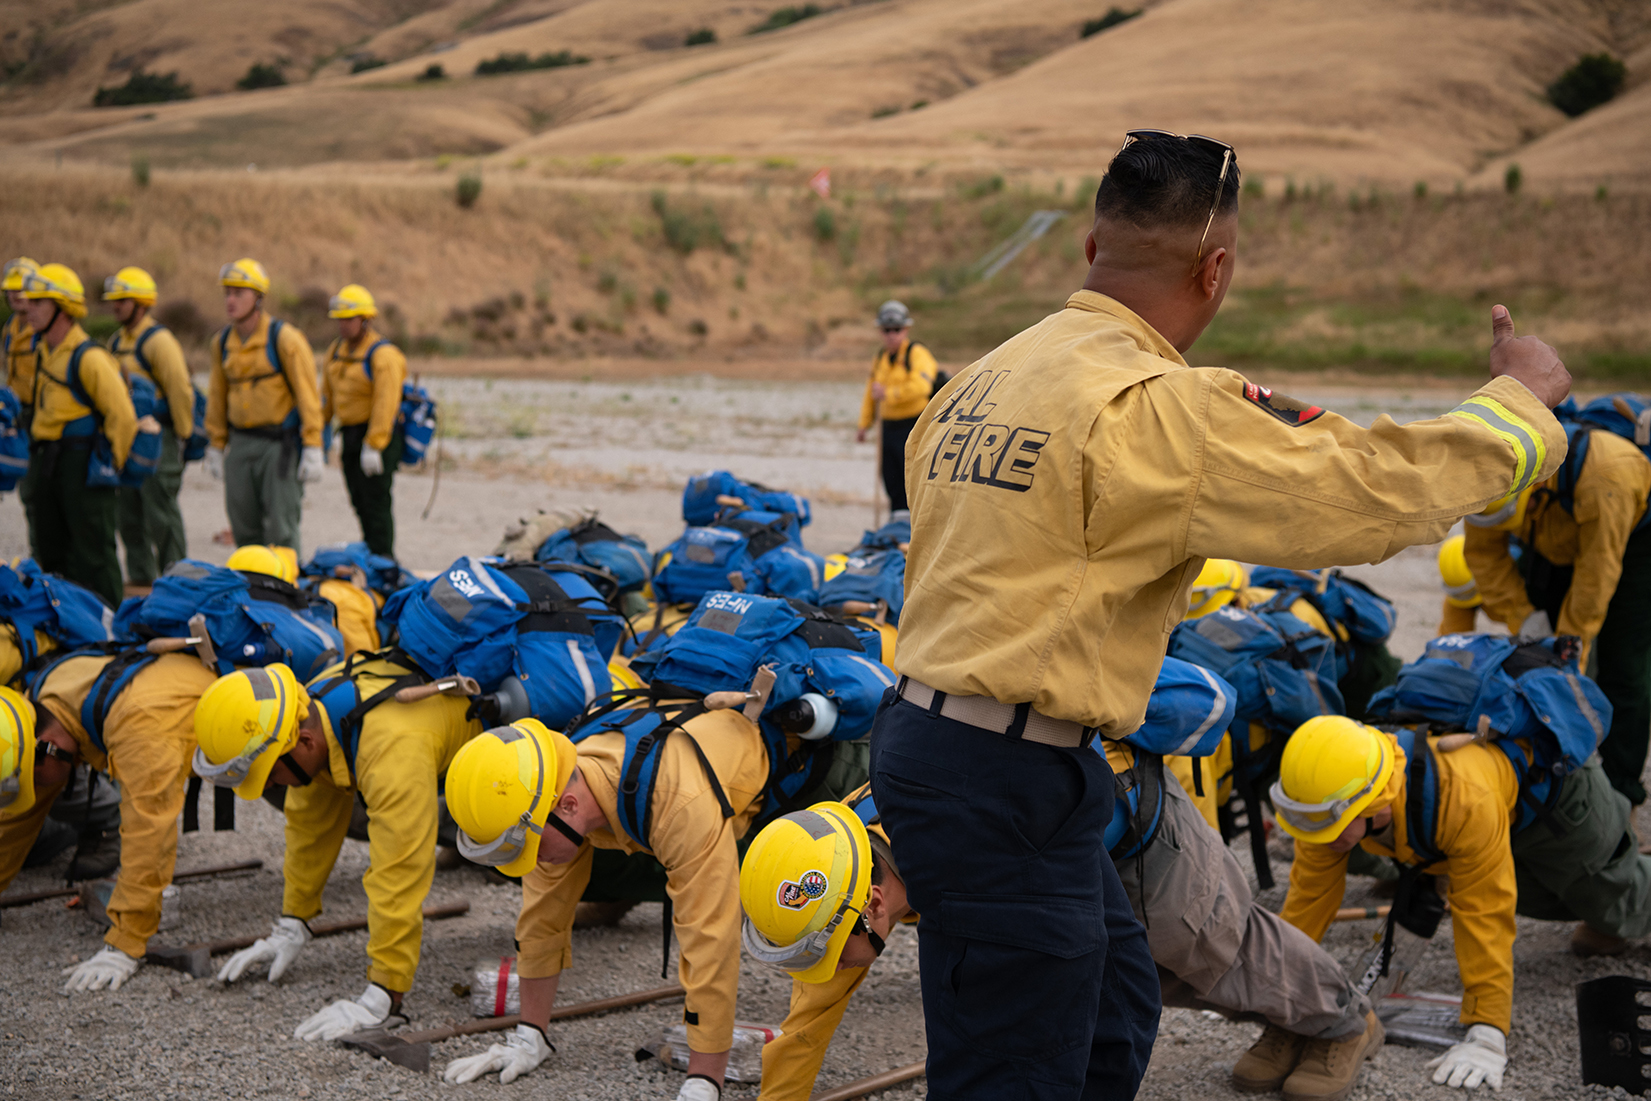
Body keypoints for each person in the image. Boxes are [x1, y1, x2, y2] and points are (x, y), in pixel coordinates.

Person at [871, 129, 1572, 1100]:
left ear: (1089, 248)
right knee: (1016, 1070)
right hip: (1007, 776)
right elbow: (1366, 490)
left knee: (1112, 1009)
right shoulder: (1156, 407)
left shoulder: (978, 380)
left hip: (961, 749)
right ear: (1216, 269)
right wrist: (1521, 408)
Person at [1273, 715, 1651, 1091]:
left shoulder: (1464, 800)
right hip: (1499, 809)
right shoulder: (1327, 801)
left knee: (1614, 901)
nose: (1311, 835)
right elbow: (1307, 900)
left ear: (1378, 804)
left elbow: (1485, 912)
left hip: (1560, 799)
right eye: (1303, 821)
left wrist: (1487, 1029)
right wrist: (1270, 986)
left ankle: (1615, 901)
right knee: (1532, 896)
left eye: (1321, 824)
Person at [441, 710, 768, 1101]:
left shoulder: (681, 806)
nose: (532, 860)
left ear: (569, 805)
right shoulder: (548, 792)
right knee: (564, 866)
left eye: (532, 848)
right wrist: (529, 1036)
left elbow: (710, 941)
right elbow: (541, 919)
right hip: (639, 809)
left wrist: (704, 1080)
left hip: (764, 782)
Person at [193, 656, 482, 1039]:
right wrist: (292, 922)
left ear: (305, 743)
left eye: (270, 776)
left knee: (484, 837)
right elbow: (309, 824)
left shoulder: (390, 750)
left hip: (487, 763)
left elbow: (398, 872)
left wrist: (383, 994)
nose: (269, 788)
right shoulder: (308, 710)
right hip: (413, 747)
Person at [0, 651, 217, 991]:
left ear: (49, 746)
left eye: (35, 780)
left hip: (257, 731)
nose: (38, 789)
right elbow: (16, 818)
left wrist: (125, 943)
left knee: (304, 796)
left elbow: (149, 834)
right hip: (160, 697)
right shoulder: (42, 706)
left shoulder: (138, 729)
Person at [1464, 433, 1651, 805]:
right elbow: (1484, 555)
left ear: (1530, 491)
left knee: (1622, 666)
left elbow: (1593, 585)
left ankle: (1620, 793)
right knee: (1535, 653)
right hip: (1551, 530)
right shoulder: (1484, 475)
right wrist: (1525, 617)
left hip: (1628, 538)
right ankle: (1545, 772)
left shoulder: (1606, 481)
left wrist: (1572, 650)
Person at [20, 264, 136, 607]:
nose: (30, 307)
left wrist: (107, 467)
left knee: (94, 554)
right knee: (51, 551)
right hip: (48, 461)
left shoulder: (90, 357)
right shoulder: (42, 351)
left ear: (63, 308)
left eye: (41, 301)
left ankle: (113, 630)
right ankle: (66, 627)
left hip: (82, 464)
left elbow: (123, 417)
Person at [205, 259, 324, 553]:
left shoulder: (285, 339)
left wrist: (313, 445)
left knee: (281, 529)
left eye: (239, 293)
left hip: (278, 447)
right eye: (227, 293)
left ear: (258, 298)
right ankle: (253, 592)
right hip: (241, 444)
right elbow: (217, 397)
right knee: (244, 526)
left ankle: (285, 592)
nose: (230, 300)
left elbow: (308, 395)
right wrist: (216, 444)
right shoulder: (221, 344)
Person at [105, 267, 195, 585]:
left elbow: (180, 389)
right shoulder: (116, 341)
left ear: (141, 303)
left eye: (122, 300)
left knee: (162, 513)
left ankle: (179, 583)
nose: (114, 305)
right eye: (114, 300)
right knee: (128, 514)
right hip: (129, 437)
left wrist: (183, 436)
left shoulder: (158, 341)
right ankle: (142, 583)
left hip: (159, 437)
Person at [321, 284, 405, 557]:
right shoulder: (335, 352)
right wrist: (314, 435)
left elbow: (386, 403)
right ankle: (371, 553)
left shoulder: (383, 356)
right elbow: (328, 396)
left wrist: (375, 444)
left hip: (378, 437)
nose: (343, 325)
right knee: (358, 499)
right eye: (339, 319)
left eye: (348, 319)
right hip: (350, 434)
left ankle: (384, 559)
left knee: (377, 502)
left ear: (365, 320)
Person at [856, 300, 937, 512]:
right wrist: (864, 424)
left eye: (896, 329)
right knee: (891, 481)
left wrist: (890, 394)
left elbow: (922, 386)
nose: (891, 335)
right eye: (886, 330)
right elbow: (871, 392)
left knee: (912, 482)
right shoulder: (880, 357)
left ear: (906, 329)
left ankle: (912, 527)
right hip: (887, 428)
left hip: (913, 426)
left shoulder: (916, 353)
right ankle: (896, 525)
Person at [1436, 534, 1485, 635]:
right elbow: (1451, 642)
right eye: (1462, 594)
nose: (1466, 599)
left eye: (1469, 593)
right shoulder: (1458, 594)